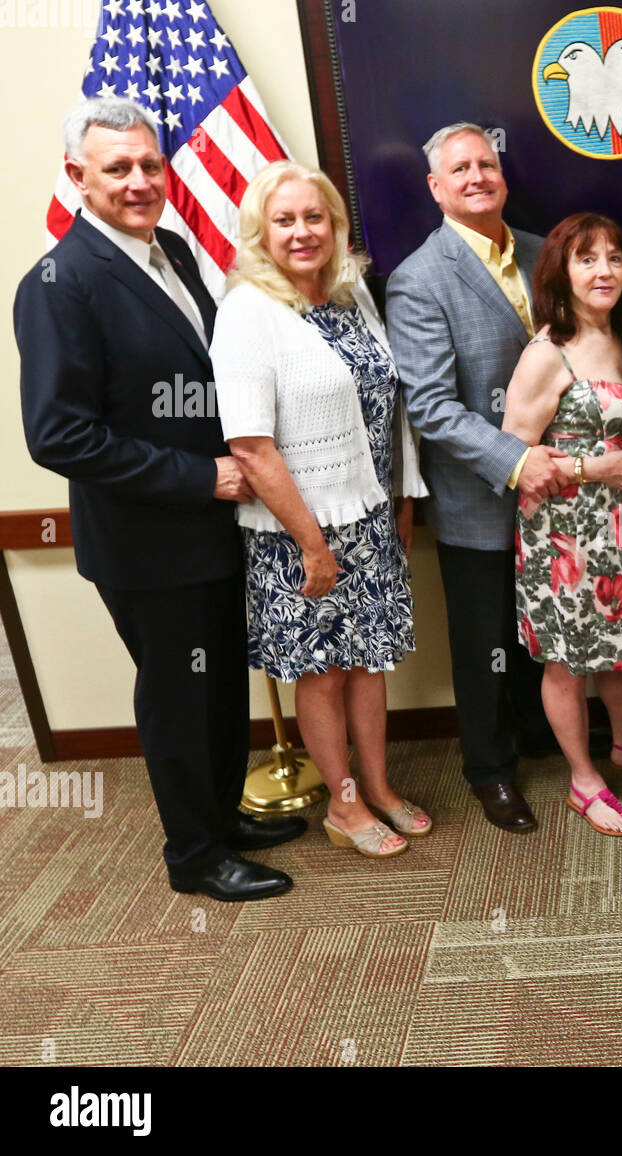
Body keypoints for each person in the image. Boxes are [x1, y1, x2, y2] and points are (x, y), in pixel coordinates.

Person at [15, 98, 302, 902]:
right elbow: (58, 436)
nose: (141, 181)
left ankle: (222, 817)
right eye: (118, 168)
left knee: (216, 685)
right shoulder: (60, 283)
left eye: (150, 164)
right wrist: (199, 476)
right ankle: (195, 856)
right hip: (148, 541)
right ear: (78, 176)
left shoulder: (168, 248)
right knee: (178, 697)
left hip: (210, 529)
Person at [211, 161, 429, 859]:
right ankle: (343, 804)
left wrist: (399, 501)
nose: (303, 232)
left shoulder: (349, 291)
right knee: (324, 670)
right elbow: (250, 444)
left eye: (316, 218)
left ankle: (380, 786)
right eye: (286, 220)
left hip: (367, 515)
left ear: (336, 227)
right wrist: (311, 543)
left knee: (370, 661)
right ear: (261, 232)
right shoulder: (248, 310)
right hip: (296, 532)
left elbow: (389, 409)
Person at [386, 122, 567, 835]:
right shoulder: (418, 278)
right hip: (479, 498)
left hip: (561, 491)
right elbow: (431, 407)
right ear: (436, 188)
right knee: (484, 641)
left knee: (541, 627)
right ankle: (490, 773)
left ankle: (539, 733)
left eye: (486, 163)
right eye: (459, 169)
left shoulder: (541, 249)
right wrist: (516, 461)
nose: (476, 176)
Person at [502, 213, 622, 836]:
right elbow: (516, 455)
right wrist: (596, 468)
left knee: (615, 636)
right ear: (560, 273)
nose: (604, 271)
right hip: (565, 532)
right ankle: (582, 779)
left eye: (615, 259)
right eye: (586, 259)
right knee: (568, 656)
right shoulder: (548, 351)